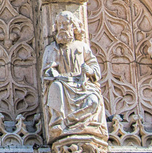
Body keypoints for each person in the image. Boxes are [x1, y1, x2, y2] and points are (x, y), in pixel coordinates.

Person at [41, 12, 107, 142]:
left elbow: (94, 67)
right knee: (55, 87)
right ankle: (58, 123)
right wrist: (54, 73)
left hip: (81, 84)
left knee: (93, 100)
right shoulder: (51, 49)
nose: (62, 28)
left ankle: (76, 123)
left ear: (73, 27)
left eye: (65, 24)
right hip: (62, 83)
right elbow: (46, 72)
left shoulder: (81, 46)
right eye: (60, 25)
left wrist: (89, 70)